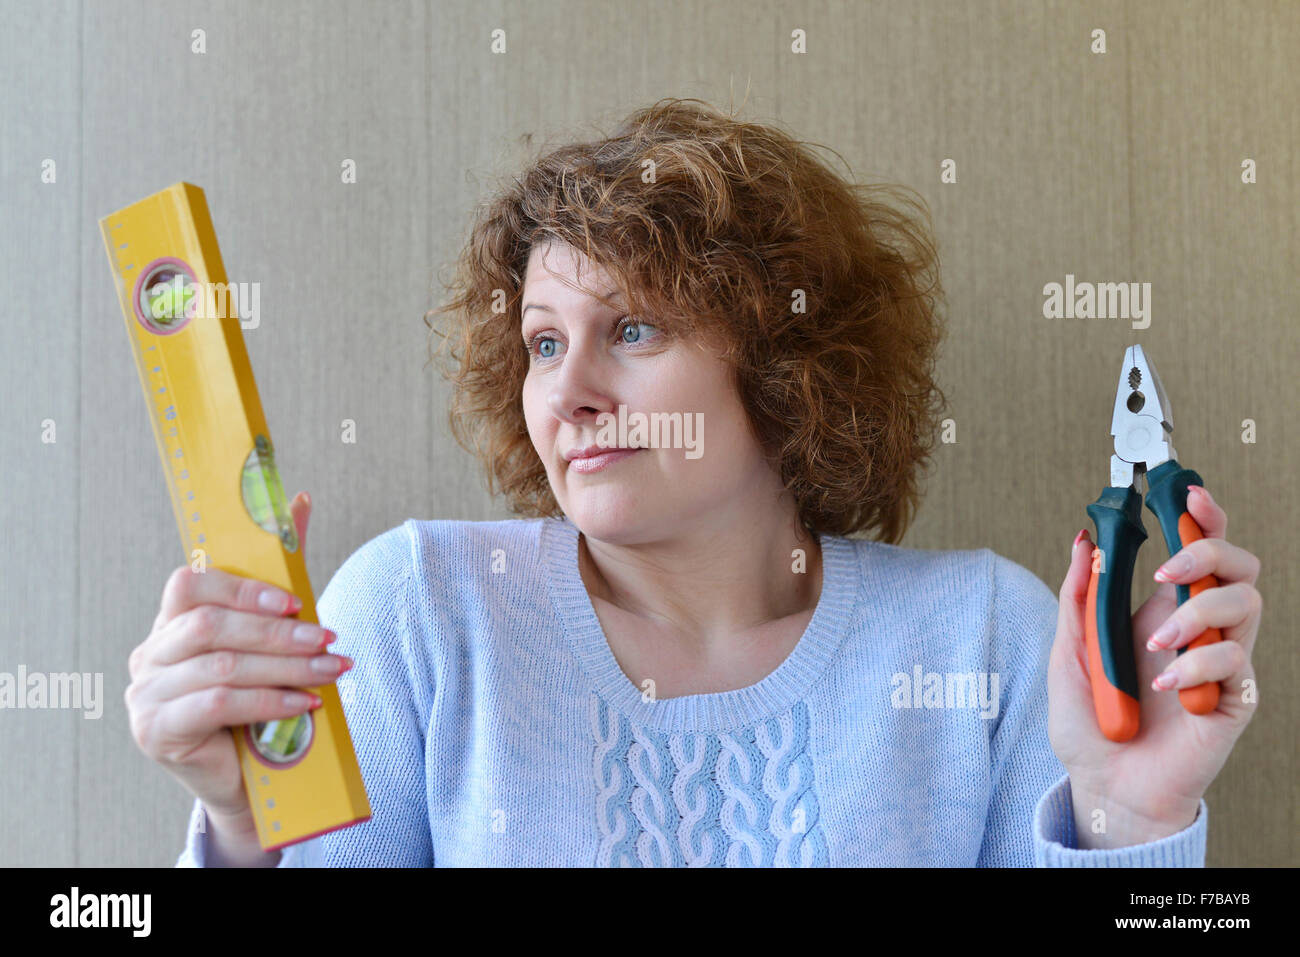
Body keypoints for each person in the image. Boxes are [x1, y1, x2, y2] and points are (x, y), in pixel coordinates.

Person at [125, 98, 1262, 867]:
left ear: (783, 365)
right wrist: (240, 830)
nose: (569, 392)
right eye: (543, 342)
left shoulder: (985, 638)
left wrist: (1132, 815)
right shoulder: (419, 612)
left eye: (631, 327)